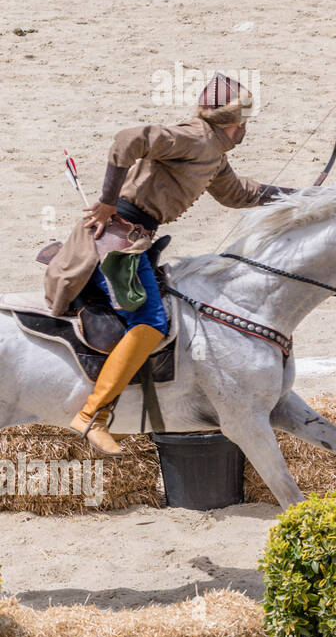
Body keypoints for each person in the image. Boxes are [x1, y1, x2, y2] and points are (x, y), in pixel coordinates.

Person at [43, 74, 292, 456]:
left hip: (133, 235)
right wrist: (108, 201)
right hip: (121, 236)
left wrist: (303, 197)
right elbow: (129, 139)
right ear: (236, 124)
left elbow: (239, 193)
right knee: (151, 322)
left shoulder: (212, 152)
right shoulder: (195, 138)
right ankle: (93, 414)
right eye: (246, 124)